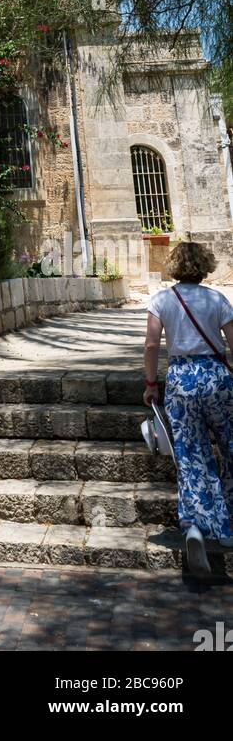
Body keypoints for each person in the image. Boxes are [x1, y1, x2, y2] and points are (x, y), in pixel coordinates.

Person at [143, 240, 233, 576]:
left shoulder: (162, 300)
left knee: (191, 455)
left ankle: (195, 527)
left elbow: (152, 344)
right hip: (217, 378)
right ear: (205, 265)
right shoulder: (217, 299)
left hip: (182, 380)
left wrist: (151, 384)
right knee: (230, 447)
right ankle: (225, 529)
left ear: (175, 266)